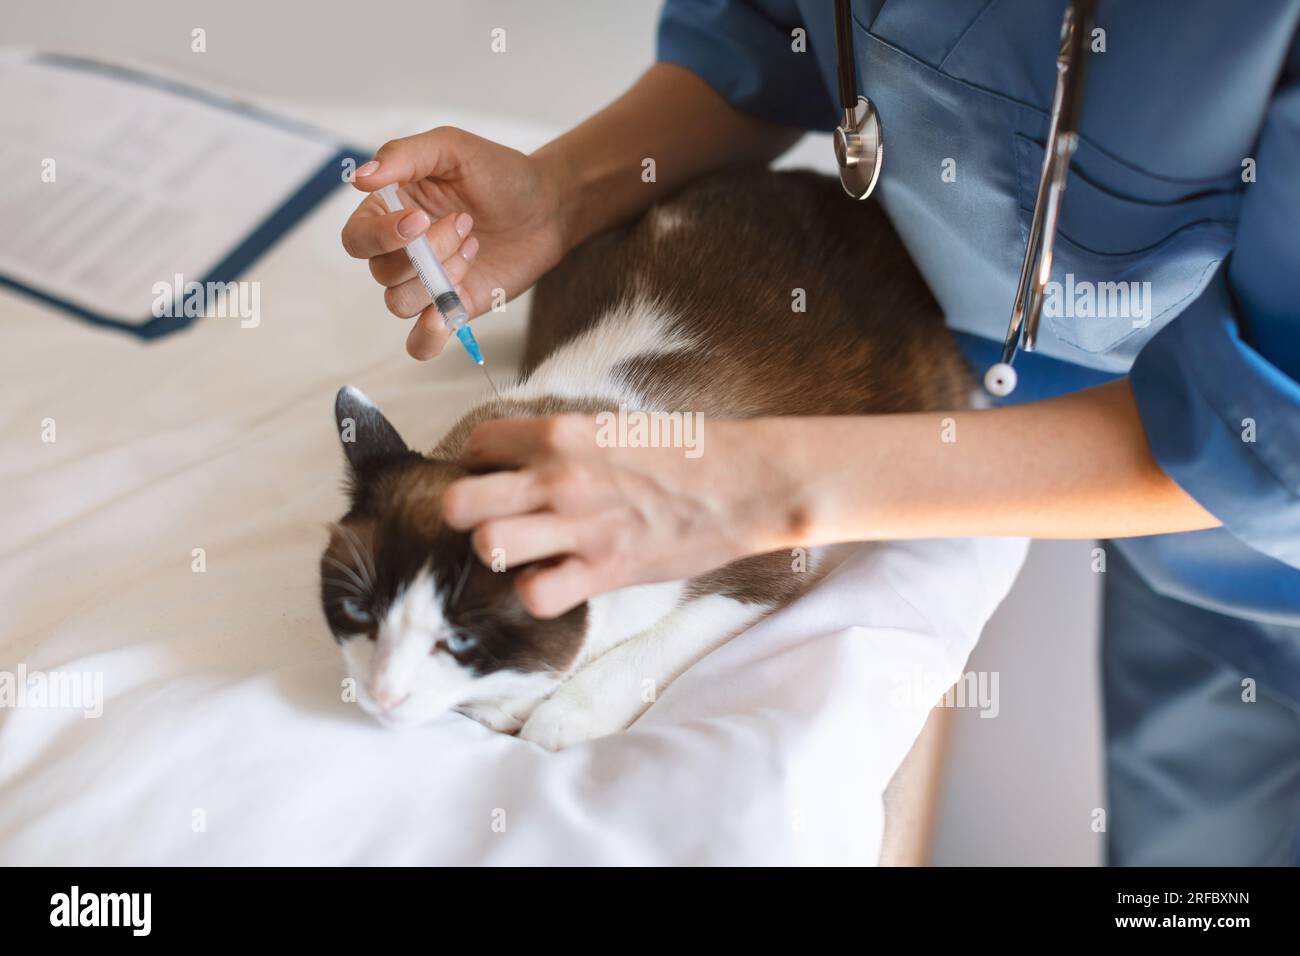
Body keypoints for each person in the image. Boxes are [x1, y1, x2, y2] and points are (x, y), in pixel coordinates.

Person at [340, 0, 1300, 866]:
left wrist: (762, 482)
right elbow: (771, 39)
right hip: (1091, 476)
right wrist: (564, 193)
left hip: (1227, 503)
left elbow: (1266, 438)